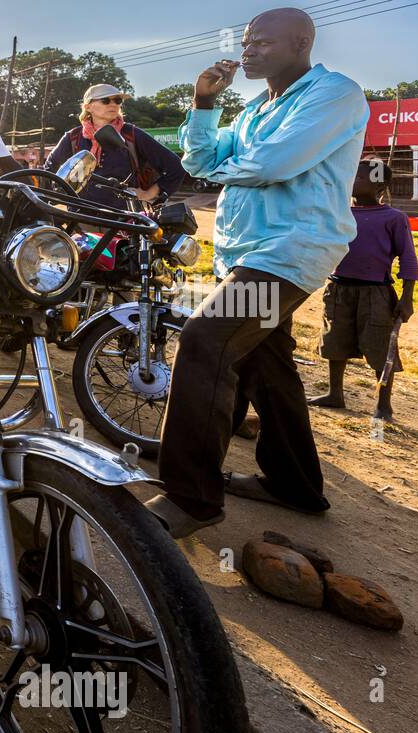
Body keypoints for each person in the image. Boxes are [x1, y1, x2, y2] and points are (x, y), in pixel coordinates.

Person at [144, 7, 369, 538]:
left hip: (289, 252)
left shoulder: (334, 94)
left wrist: (228, 170)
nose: (248, 52)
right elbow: (196, 162)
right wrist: (203, 103)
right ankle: (296, 484)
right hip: (242, 254)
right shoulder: (250, 110)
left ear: (301, 42)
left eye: (263, 43)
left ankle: (190, 497)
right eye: (246, 43)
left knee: (204, 339)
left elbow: (275, 164)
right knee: (266, 364)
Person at [309, 158, 418, 421]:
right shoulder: (339, 212)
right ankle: (335, 394)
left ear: (379, 185)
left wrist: (407, 298)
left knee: (380, 347)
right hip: (338, 289)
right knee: (335, 340)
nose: (350, 180)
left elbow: (408, 258)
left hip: (375, 293)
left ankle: (383, 404)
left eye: (358, 177)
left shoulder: (394, 218)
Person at [43, 84, 185, 207]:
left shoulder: (132, 134)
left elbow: (176, 167)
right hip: (82, 218)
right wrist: (58, 197)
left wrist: (147, 194)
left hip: (125, 220)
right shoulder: (73, 137)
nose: (113, 104)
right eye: (105, 100)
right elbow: (49, 171)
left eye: (117, 100)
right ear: (88, 107)